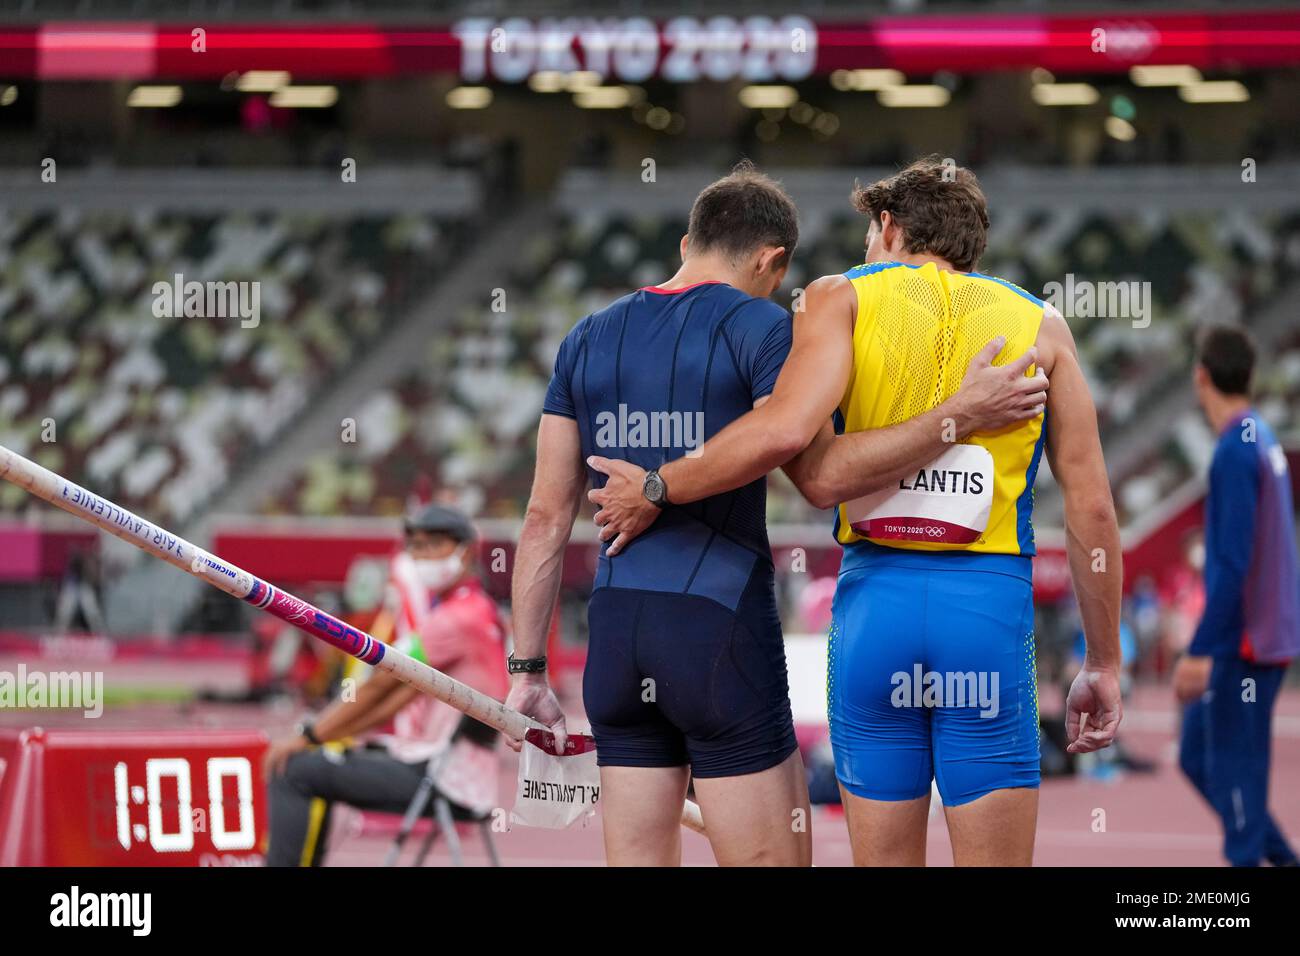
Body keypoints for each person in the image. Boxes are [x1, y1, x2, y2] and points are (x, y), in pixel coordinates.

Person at [506, 161, 1046, 866]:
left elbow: (545, 518)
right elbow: (801, 452)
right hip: (718, 635)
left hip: (615, 638)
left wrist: (527, 668)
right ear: (773, 260)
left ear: (685, 243)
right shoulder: (765, 327)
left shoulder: (585, 337)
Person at [263, 504, 506, 866]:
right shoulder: (476, 611)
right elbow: (394, 696)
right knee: (313, 760)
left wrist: (309, 736)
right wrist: (326, 736)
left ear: (466, 551)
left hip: (442, 779)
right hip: (455, 775)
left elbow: (381, 685)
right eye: (416, 548)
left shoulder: (457, 620)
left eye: (432, 546)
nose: (422, 557)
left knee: (294, 770)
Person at [1175, 324, 1299, 867]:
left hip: (1247, 646)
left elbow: (1231, 562)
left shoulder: (1234, 451)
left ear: (1201, 376)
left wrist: (1200, 650)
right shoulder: (1261, 438)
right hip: (1266, 636)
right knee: (1198, 754)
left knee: (1237, 772)